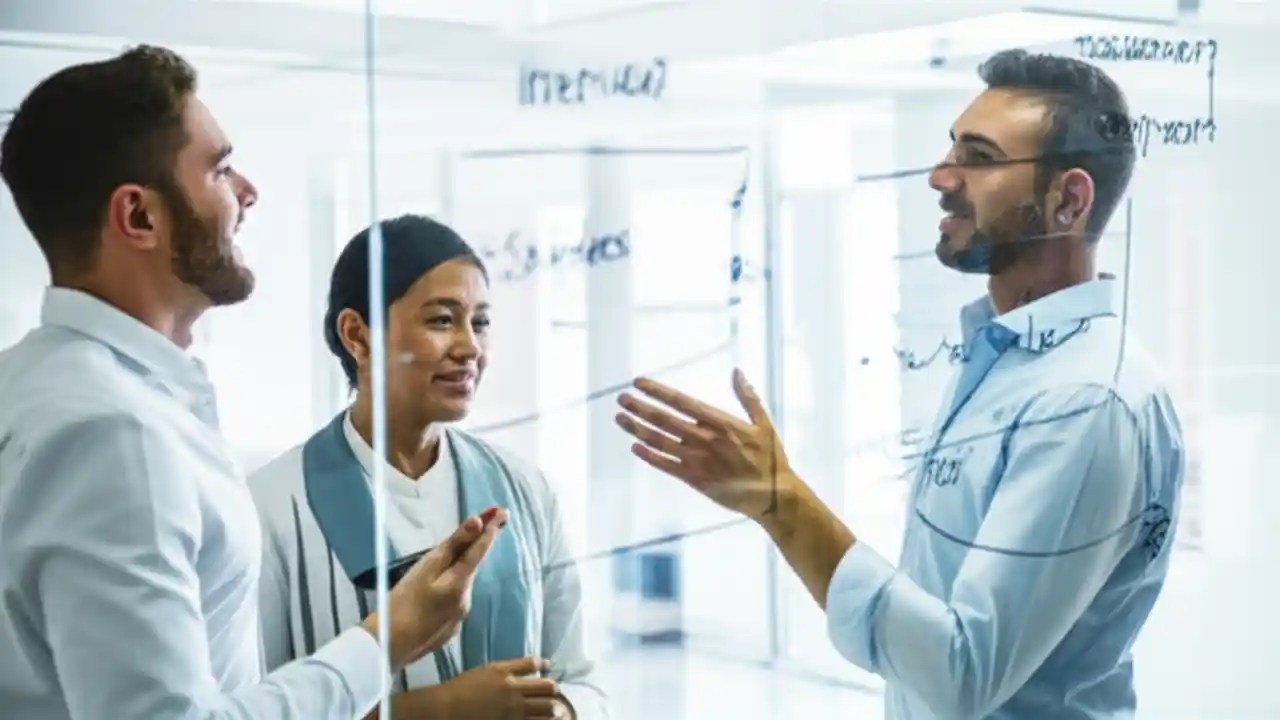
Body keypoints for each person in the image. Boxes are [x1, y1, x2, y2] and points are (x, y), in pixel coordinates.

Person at [614, 49, 1184, 719]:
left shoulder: (1086, 401)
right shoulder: (1008, 362)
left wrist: (781, 503)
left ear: (1068, 200)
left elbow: (960, 671)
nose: (941, 176)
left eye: (978, 157)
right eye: (951, 149)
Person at [0, 45, 506, 720]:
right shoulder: (114, 433)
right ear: (139, 217)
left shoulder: (38, 386)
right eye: (220, 168)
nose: (247, 192)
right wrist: (386, 641)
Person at [248, 214, 609, 720]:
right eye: (442, 320)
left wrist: (561, 712)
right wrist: (441, 710)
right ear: (357, 336)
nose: (470, 348)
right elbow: (251, 708)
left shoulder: (525, 490)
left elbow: (579, 680)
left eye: (479, 322)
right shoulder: (272, 508)